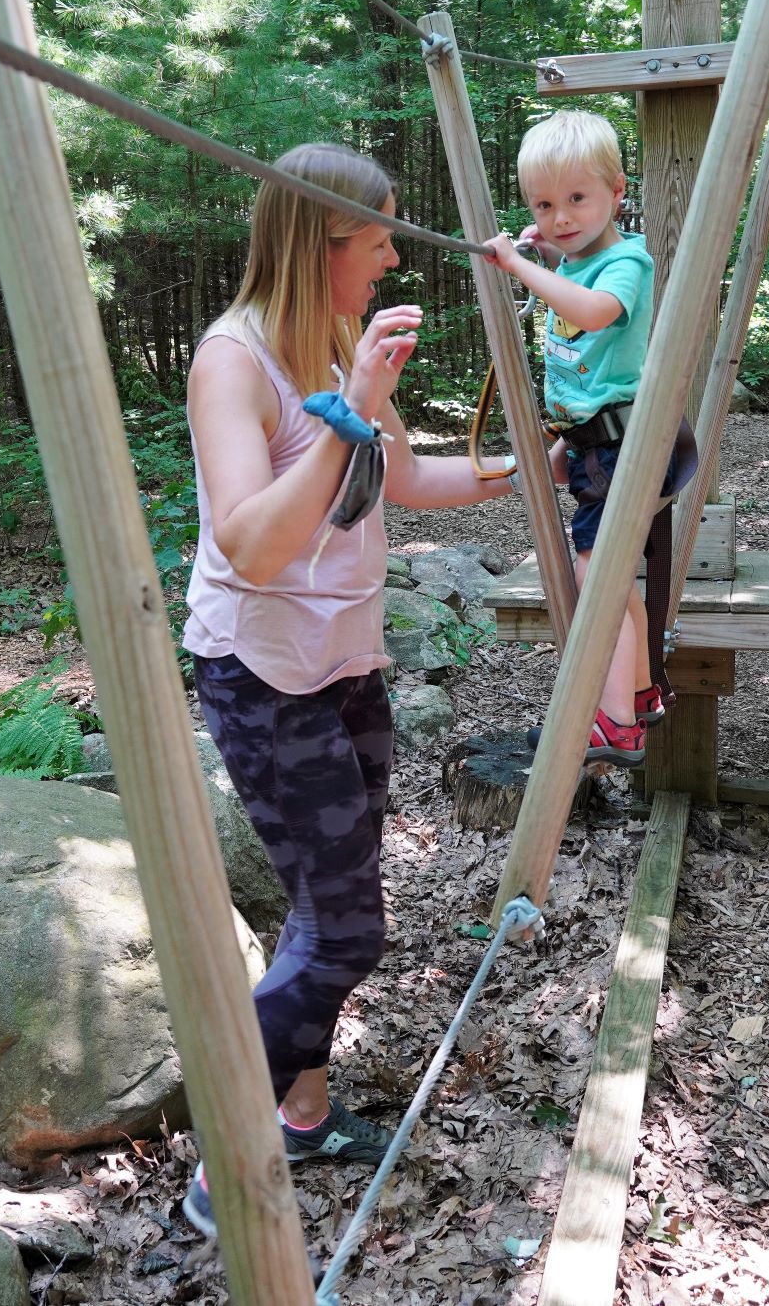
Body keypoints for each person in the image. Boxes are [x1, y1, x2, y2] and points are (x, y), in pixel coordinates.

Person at [181, 141, 516, 1237]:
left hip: (345, 665)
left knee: (326, 909)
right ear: (318, 240)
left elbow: (405, 480)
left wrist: (538, 466)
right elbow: (255, 543)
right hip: (261, 671)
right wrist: (350, 406)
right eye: (375, 237)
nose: (388, 256)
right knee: (348, 934)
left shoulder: (334, 336)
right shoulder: (234, 361)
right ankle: (221, 1166)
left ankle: (304, 1116)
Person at [485, 109, 673, 770]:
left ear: (616, 192)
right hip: (594, 444)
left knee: (597, 585)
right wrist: (543, 256)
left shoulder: (626, 260)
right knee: (616, 585)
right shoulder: (578, 259)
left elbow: (591, 312)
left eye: (577, 198)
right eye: (545, 203)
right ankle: (642, 691)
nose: (561, 216)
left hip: (620, 446)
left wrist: (518, 265)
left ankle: (617, 723)